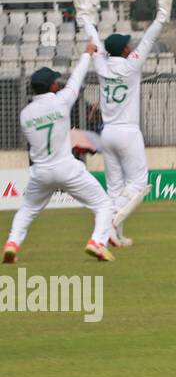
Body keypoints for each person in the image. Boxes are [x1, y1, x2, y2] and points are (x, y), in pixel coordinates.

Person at [73, 0, 173, 245]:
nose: (131, 47)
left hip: (107, 133)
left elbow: (95, 42)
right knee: (139, 185)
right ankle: (109, 223)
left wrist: (85, 19)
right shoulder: (132, 65)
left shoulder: (102, 65)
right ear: (126, 51)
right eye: (129, 45)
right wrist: (162, 15)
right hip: (128, 132)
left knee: (115, 188)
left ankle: (113, 235)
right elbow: (149, 39)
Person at [4, 47, 116, 263]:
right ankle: (97, 242)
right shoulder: (61, 101)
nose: (58, 83)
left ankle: (12, 243)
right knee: (103, 205)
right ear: (52, 86)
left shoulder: (25, 114)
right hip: (66, 167)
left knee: (27, 210)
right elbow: (76, 78)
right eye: (56, 82)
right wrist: (87, 55)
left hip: (41, 172)